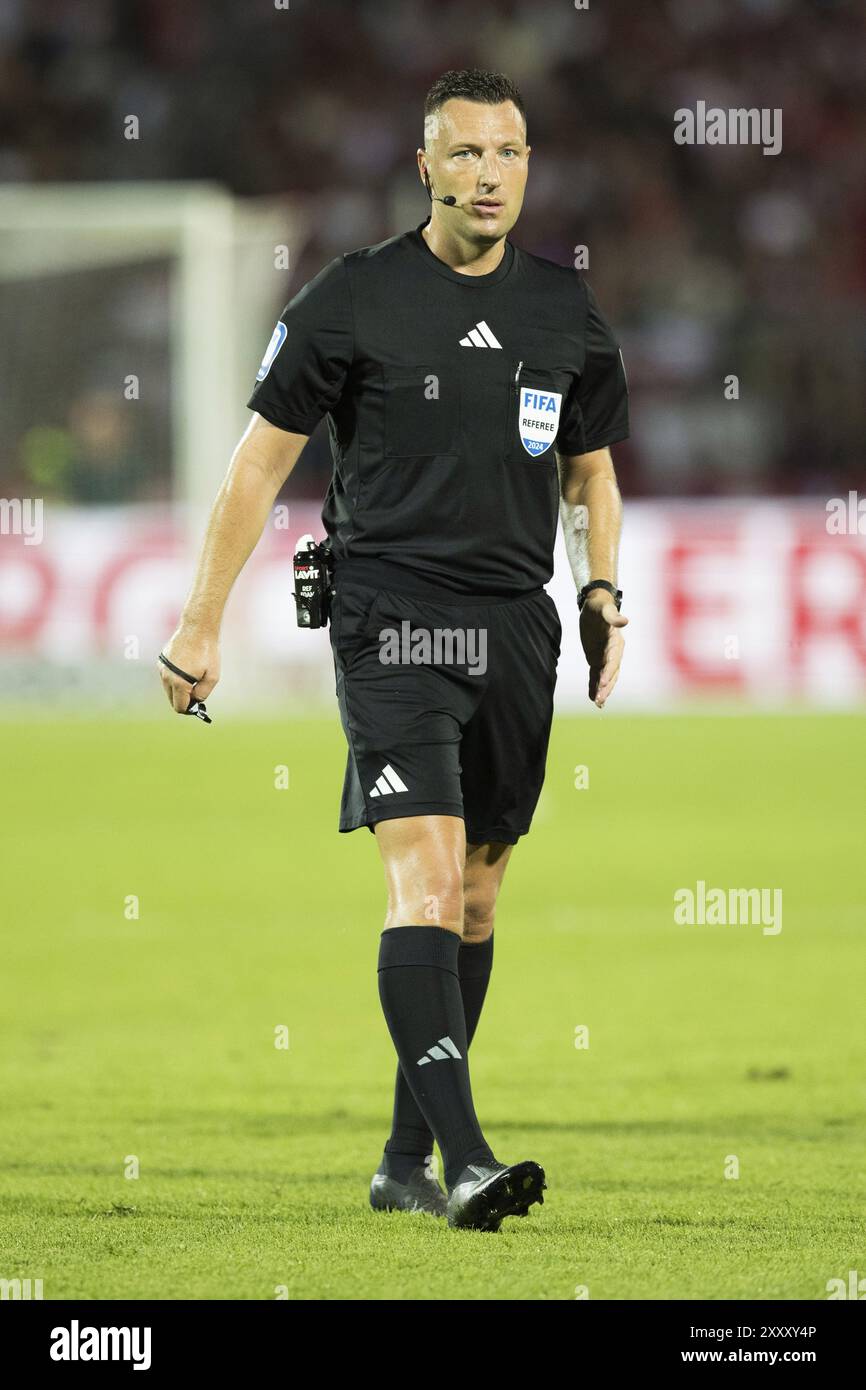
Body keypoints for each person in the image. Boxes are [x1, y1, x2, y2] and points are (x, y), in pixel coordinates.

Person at [159, 68, 629, 1232]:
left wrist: (601, 589)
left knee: (472, 896)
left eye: (508, 154)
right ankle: (468, 1163)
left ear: (529, 168)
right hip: (391, 618)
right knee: (419, 874)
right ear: (423, 166)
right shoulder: (352, 299)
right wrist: (201, 617)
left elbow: (589, 471)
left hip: (514, 624)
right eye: (464, 153)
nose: (488, 174)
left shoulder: (562, 312)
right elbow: (256, 468)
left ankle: (401, 1160)